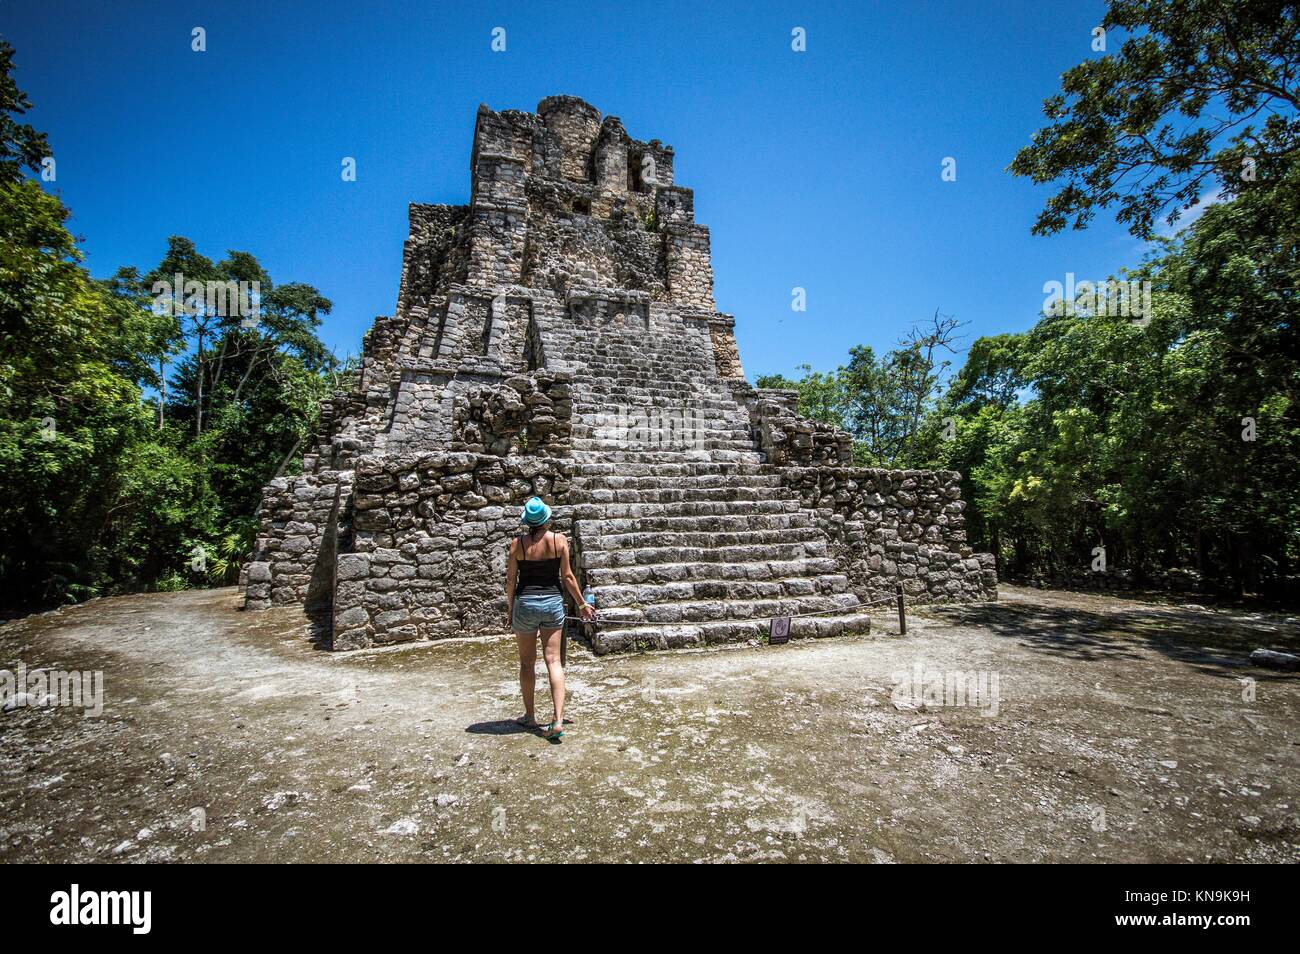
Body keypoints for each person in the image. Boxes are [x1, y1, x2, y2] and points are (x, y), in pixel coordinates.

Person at [505, 496, 594, 740]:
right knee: (553, 661)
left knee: (526, 663)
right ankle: (557, 719)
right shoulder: (559, 541)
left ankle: (530, 716)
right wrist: (582, 604)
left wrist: (510, 608)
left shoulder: (517, 545)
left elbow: (511, 581)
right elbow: (567, 577)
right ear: (546, 518)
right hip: (553, 603)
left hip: (525, 604)